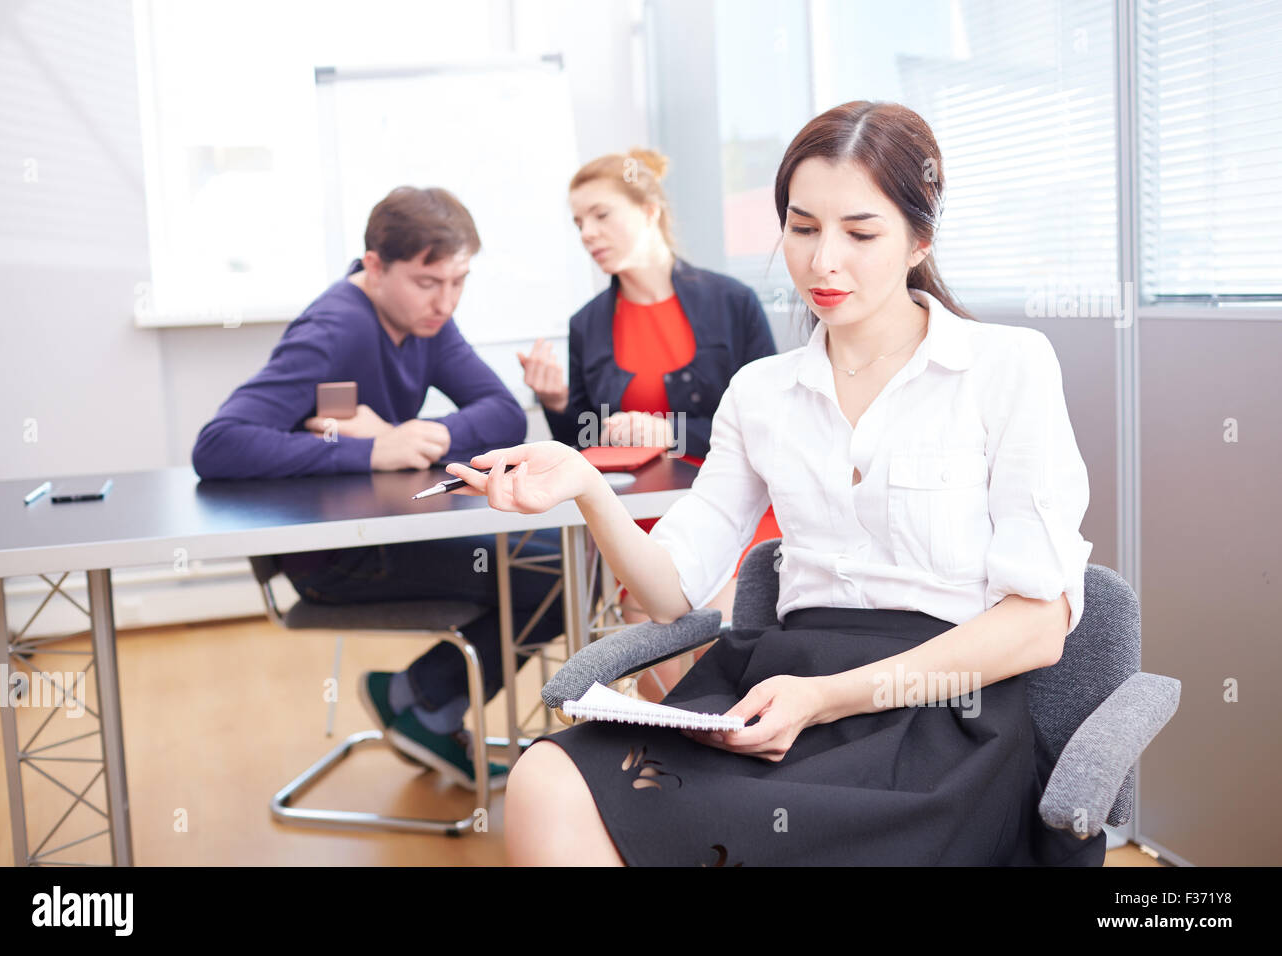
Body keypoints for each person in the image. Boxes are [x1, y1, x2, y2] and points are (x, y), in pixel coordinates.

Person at [445, 101, 1108, 866]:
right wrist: (588, 485)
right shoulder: (761, 392)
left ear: (920, 239)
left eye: (860, 233)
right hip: (773, 686)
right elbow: (671, 592)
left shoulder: (1007, 368)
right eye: (802, 228)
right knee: (545, 780)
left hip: (938, 705)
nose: (824, 262)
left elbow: (1037, 625)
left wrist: (827, 697)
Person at [191, 186, 565, 791]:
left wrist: (414, 435)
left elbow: (503, 412)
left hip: (396, 529)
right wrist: (366, 450)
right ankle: (424, 699)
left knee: (576, 558)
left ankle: (418, 699)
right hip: (336, 559)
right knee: (557, 573)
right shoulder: (333, 328)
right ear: (374, 267)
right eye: (427, 282)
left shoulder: (426, 320)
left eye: (459, 281)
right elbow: (219, 445)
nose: (445, 301)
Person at [517, 148, 780, 700]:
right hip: (636, 516)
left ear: (650, 209)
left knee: (713, 623)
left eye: (601, 214)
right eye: (578, 222)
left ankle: (723, 754)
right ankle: (679, 756)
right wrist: (559, 402)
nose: (588, 233)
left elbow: (773, 423)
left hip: (736, 504)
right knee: (652, 624)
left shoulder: (732, 303)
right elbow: (581, 448)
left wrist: (674, 432)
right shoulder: (586, 324)